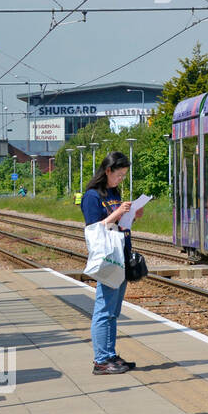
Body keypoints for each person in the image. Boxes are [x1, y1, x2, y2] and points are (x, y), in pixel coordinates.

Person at [82, 152, 136, 375]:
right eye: (119, 175)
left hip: (120, 255)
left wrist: (132, 214)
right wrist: (117, 214)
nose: (121, 179)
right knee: (104, 309)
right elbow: (94, 228)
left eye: (124, 176)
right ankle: (101, 361)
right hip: (108, 259)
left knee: (113, 310)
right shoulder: (91, 197)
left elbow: (117, 222)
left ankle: (110, 354)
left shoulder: (113, 192)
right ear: (107, 171)